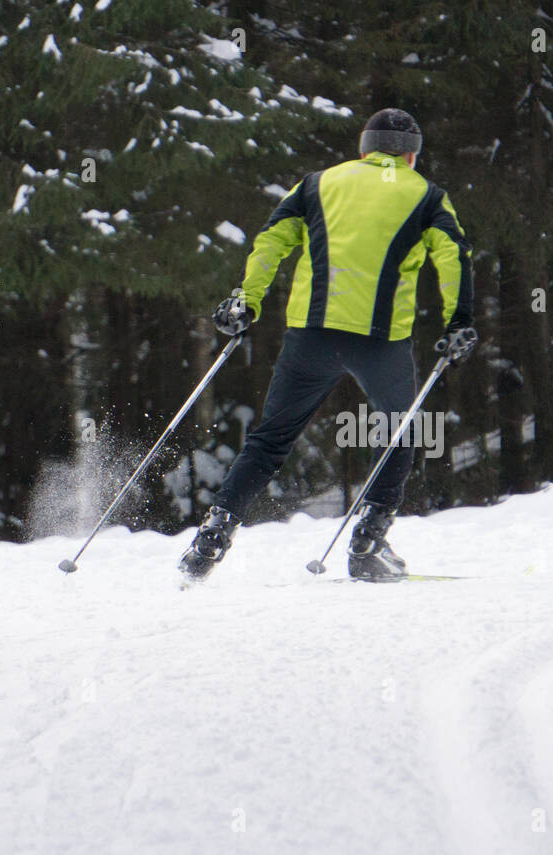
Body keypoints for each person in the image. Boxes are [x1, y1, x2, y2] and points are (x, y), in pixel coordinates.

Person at [179, 108, 478, 581]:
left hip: (311, 337)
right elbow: (453, 257)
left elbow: (272, 240)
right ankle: (368, 541)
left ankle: (214, 532)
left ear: (363, 148)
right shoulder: (427, 196)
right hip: (381, 343)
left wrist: (246, 301)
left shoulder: (317, 184)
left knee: (270, 440)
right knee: (398, 431)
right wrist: (458, 321)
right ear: (412, 156)